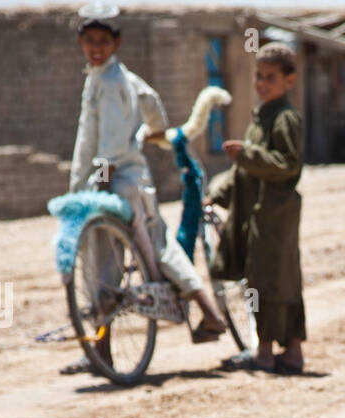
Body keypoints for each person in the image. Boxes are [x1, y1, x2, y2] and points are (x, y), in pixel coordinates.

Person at [65, 5, 227, 375]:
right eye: (90, 41)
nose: (96, 47)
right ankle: (208, 312)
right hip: (133, 180)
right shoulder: (117, 77)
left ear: (116, 42)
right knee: (157, 244)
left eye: (103, 41)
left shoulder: (106, 83)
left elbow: (104, 147)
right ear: (81, 42)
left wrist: (97, 187)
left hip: (115, 180)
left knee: (104, 266)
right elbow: (152, 102)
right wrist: (154, 133)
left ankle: (101, 352)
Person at [206, 42, 307, 374]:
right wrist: (216, 195)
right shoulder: (259, 120)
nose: (263, 83)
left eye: (271, 77)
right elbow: (242, 175)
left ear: (289, 81)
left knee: (273, 282)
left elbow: (287, 164)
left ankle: (266, 352)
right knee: (268, 279)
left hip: (276, 216)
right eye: (259, 77)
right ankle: (289, 353)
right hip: (258, 215)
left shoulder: (285, 119)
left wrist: (247, 154)